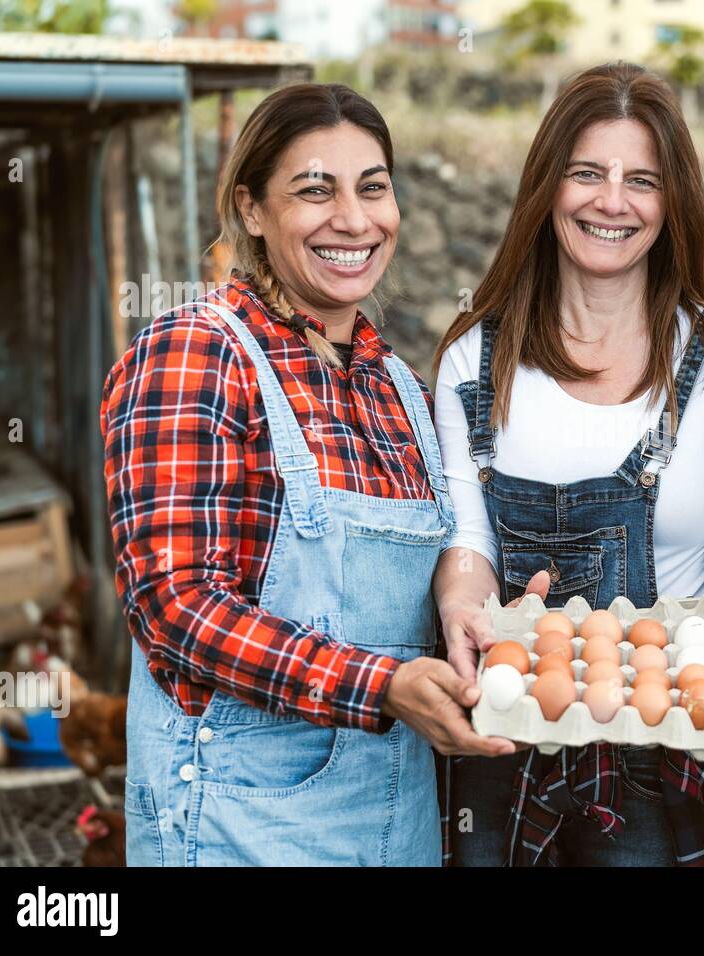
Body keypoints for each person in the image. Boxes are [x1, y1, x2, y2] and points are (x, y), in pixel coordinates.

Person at [103, 83, 513, 867]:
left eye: (373, 188)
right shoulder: (196, 353)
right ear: (252, 208)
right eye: (314, 190)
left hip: (396, 827)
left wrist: (491, 632)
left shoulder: (402, 389)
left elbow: (420, 597)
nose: (354, 221)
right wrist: (381, 686)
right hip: (240, 829)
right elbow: (174, 606)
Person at [432, 62, 704, 866]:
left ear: (673, 205)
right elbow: (467, 546)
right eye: (587, 174)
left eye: (643, 180)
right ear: (546, 188)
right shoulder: (475, 360)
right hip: (505, 746)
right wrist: (464, 601)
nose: (612, 202)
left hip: (659, 745)